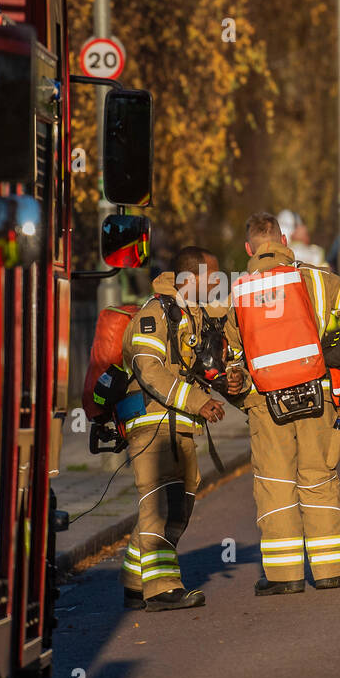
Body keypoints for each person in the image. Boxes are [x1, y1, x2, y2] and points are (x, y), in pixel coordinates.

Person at [231, 212, 340, 596]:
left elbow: (230, 356)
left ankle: (283, 577)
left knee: (275, 485)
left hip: (266, 403)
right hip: (317, 394)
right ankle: (330, 571)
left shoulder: (238, 292)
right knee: (318, 478)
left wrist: (247, 397)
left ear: (249, 249)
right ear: (285, 240)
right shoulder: (314, 279)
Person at [117, 246, 244, 612]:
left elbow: (216, 359)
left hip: (181, 426)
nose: (218, 282)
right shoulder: (154, 314)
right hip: (152, 423)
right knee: (162, 504)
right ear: (190, 280)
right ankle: (162, 589)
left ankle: (134, 580)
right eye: (213, 276)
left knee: (181, 504)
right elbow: (148, 367)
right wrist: (196, 401)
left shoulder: (198, 316)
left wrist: (232, 379)